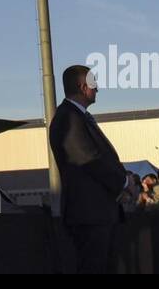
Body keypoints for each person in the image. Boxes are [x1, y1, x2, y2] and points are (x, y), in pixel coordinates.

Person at [48, 64, 127, 273]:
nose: (97, 88)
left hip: (97, 213)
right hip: (89, 215)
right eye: (94, 84)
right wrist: (123, 182)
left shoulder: (77, 117)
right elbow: (90, 159)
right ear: (83, 87)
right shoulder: (68, 118)